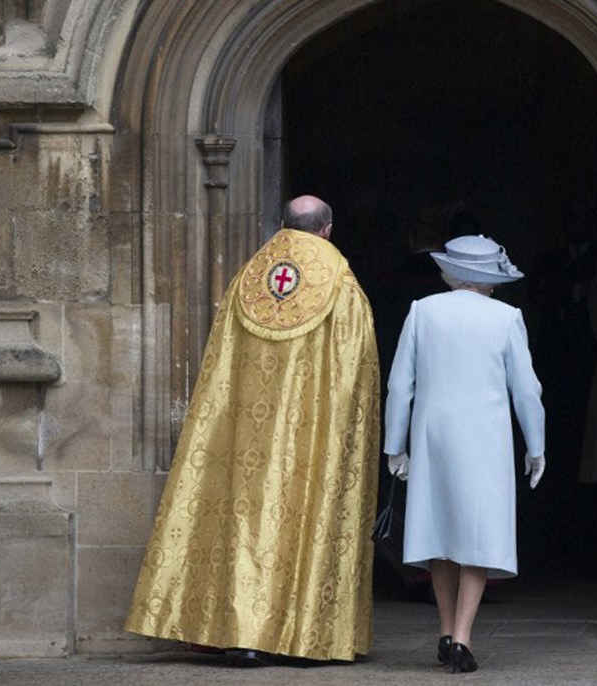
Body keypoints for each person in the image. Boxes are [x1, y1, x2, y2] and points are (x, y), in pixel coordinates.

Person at [125, 195, 380, 665]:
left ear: (282, 225)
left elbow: (219, 373)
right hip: (309, 441)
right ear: (326, 230)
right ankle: (300, 639)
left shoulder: (249, 279)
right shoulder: (341, 284)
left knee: (243, 520)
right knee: (302, 518)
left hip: (245, 441)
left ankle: (239, 633)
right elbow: (352, 376)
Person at [383, 234, 546, 674]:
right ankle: (462, 638)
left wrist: (394, 445)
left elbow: (400, 385)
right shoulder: (507, 317)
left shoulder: (423, 311)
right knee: (476, 535)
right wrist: (537, 445)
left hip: (433, 435)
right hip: (485, 437)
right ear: (489, 278)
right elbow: (526, 390)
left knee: (439, 533)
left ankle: (444, 628)